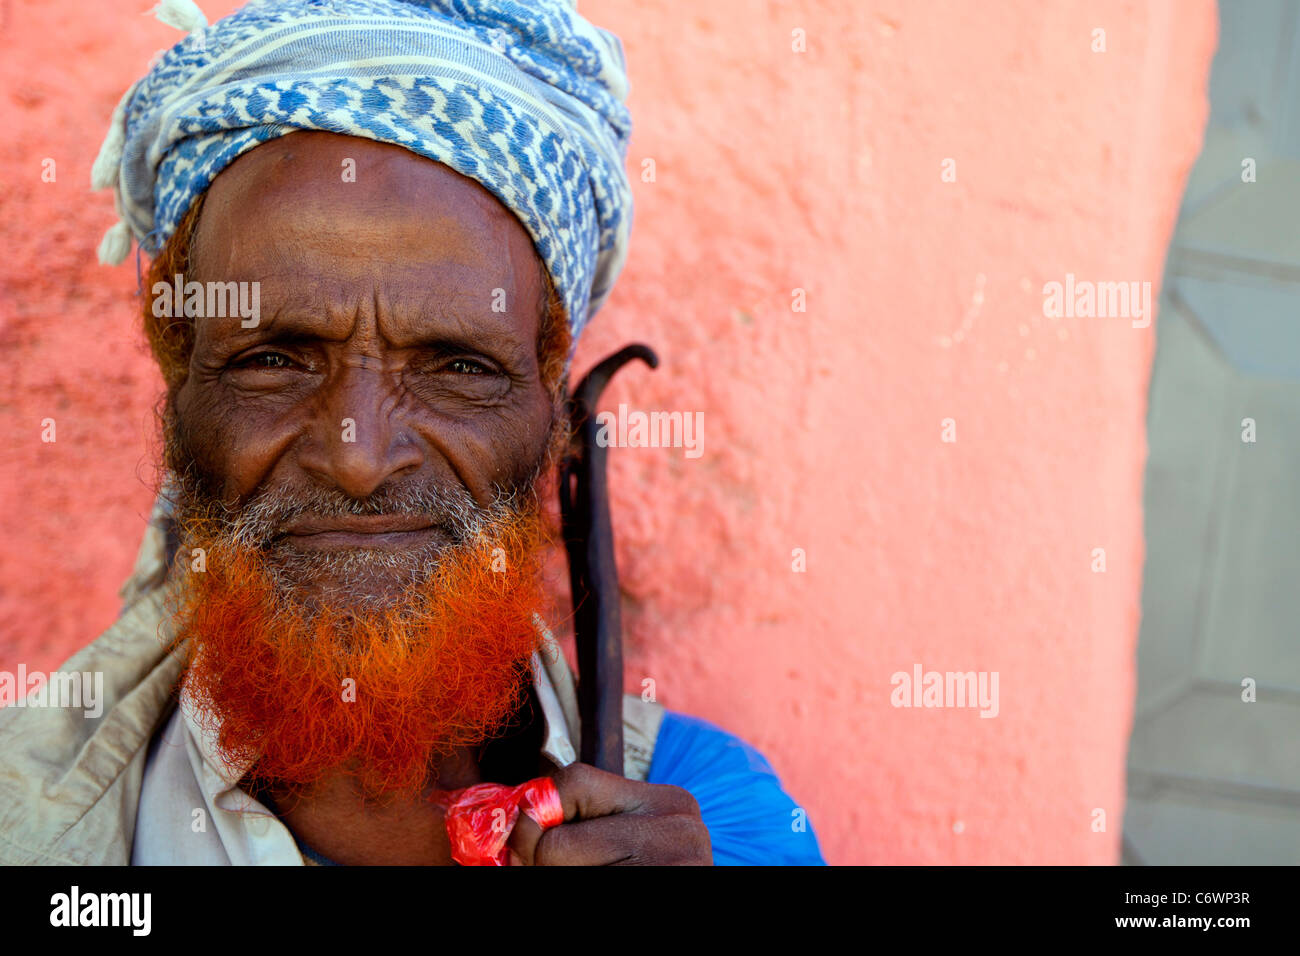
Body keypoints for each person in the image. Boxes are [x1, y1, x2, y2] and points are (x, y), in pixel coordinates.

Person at [0, 0, 823, 866]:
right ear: (179, 401)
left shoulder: (717, 819)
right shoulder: (29, 815)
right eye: (274, 360)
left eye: (457, 367)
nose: (358, 457)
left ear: (553, 423)